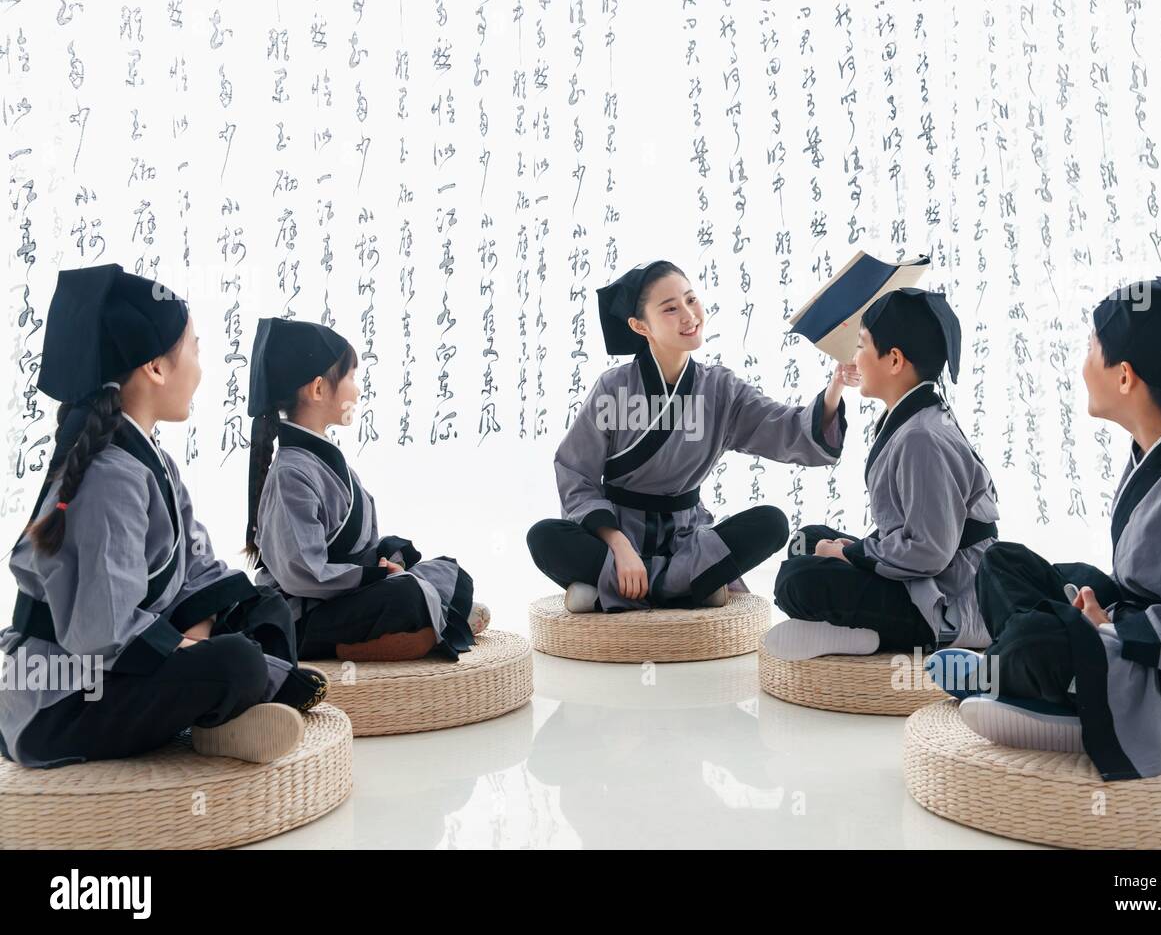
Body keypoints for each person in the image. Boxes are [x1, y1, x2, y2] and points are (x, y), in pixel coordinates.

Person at [931, 277, 1161, 780]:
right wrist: (1107, 619)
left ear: (1125, 377)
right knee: (1001, 563)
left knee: (1039, 640)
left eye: (1091, 348)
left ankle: (1040, 678)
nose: (1082, 365)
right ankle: (1036, 673)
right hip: (1151, 632)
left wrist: (1114, 628)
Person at [0, 264, 325, 768]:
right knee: (235, 661)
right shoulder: (109, 477)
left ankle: (226, 712)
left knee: (265, 606)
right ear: (155, 367)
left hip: (122, 662)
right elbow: (101, 632)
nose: (200, 367)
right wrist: (185, 645)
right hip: (63, 701)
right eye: (195, 349)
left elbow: (199, 569)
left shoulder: (151, 461)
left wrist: (208, 621)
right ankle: (229, 708)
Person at [526, 259, 850, 613]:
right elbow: (576, 474)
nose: (688, 315)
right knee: (543, 537)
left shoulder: (721, 389)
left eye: (691, 300)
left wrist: (835, 387)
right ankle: (686, 586)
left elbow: (787, 428)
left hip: (687, 540)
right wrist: (618, 544)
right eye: (670, 308)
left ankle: (616, 589)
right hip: (618, 534)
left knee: (772, 522)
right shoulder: (612, 388)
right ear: (639, 325)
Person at [768, 287, 999, 660]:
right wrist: (851, 552)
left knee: (795, 581)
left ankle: (866, 636)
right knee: (807, 541)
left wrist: (854, 555)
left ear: (894, 360)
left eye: (861, 345)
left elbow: (930, 551)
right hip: (924, 572)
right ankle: (858, 627)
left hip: (946, 597)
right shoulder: (917, 417)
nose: (854, 359)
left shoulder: (922, 437)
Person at [245, 317, 487, 662]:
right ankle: (359, 645)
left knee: (450, 571)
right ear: (317, 390)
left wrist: (386, 563)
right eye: (351, 377)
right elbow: (303, 574)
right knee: (406, 594)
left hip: (344, 595)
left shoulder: (324, 460)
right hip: (307, 613)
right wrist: (374, 577)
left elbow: (363, 544)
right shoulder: (290, 474)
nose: (357, 390)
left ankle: (423, 626)